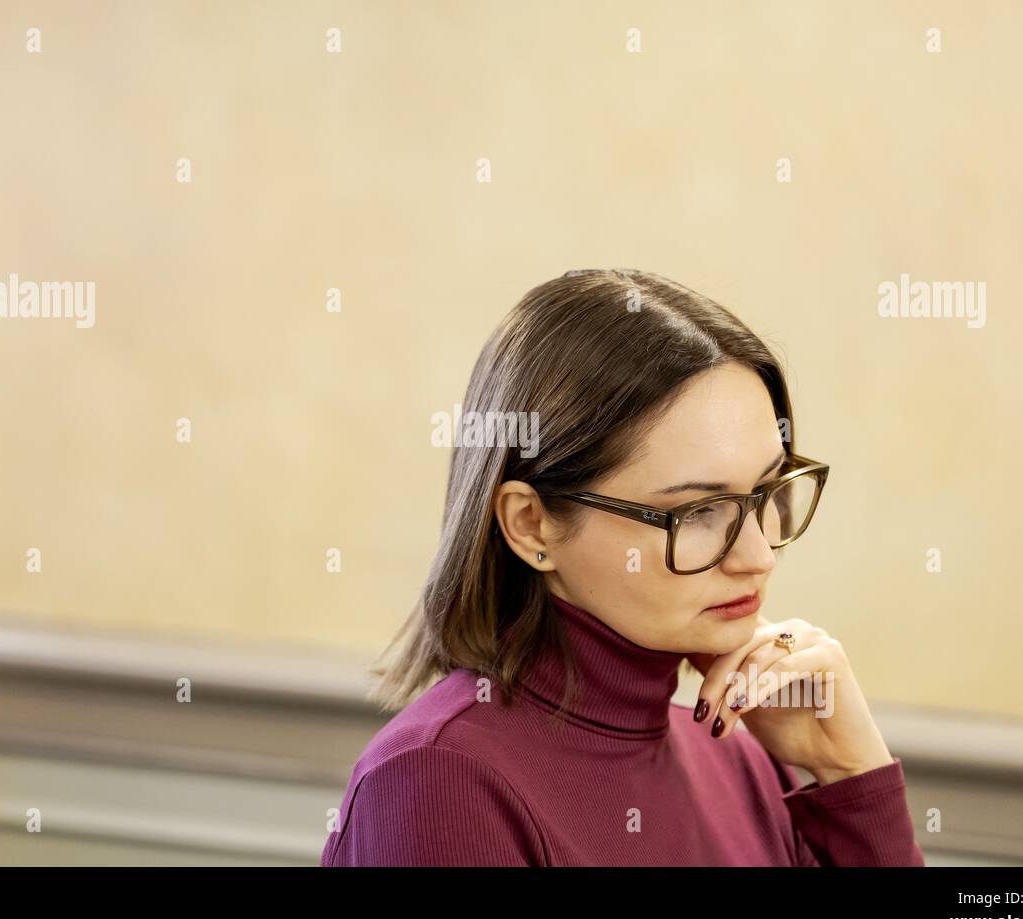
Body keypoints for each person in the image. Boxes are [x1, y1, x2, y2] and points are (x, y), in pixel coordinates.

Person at [321, 268, 924, 866]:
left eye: (767, 492)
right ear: (532, 524)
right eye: (698, 511)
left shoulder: (746, 762)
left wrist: (850, 773)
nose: (759, 556)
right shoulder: (436, 781)